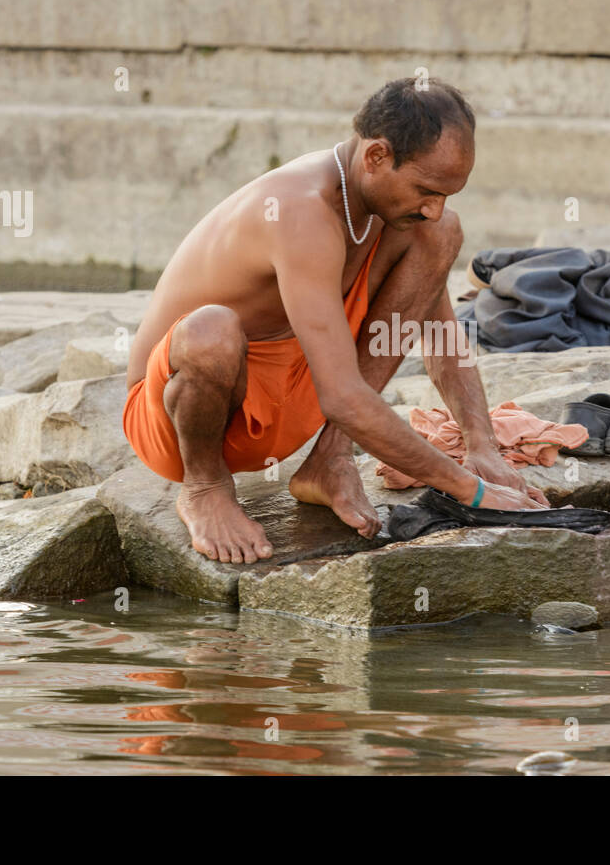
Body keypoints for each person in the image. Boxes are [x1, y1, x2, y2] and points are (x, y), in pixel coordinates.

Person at [123, 78, 547, 564]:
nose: (435, 207)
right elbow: (341, 396)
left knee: (441, 237)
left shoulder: (394, 210)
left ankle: (329, 461)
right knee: (209, 331)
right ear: (375, 157)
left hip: (287, 400)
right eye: (427, 191)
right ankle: (205, 489)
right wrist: (469, 491)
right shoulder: (299, 208)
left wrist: (482, 446)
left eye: (447, 194)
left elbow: (439, 334)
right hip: (182, 421)